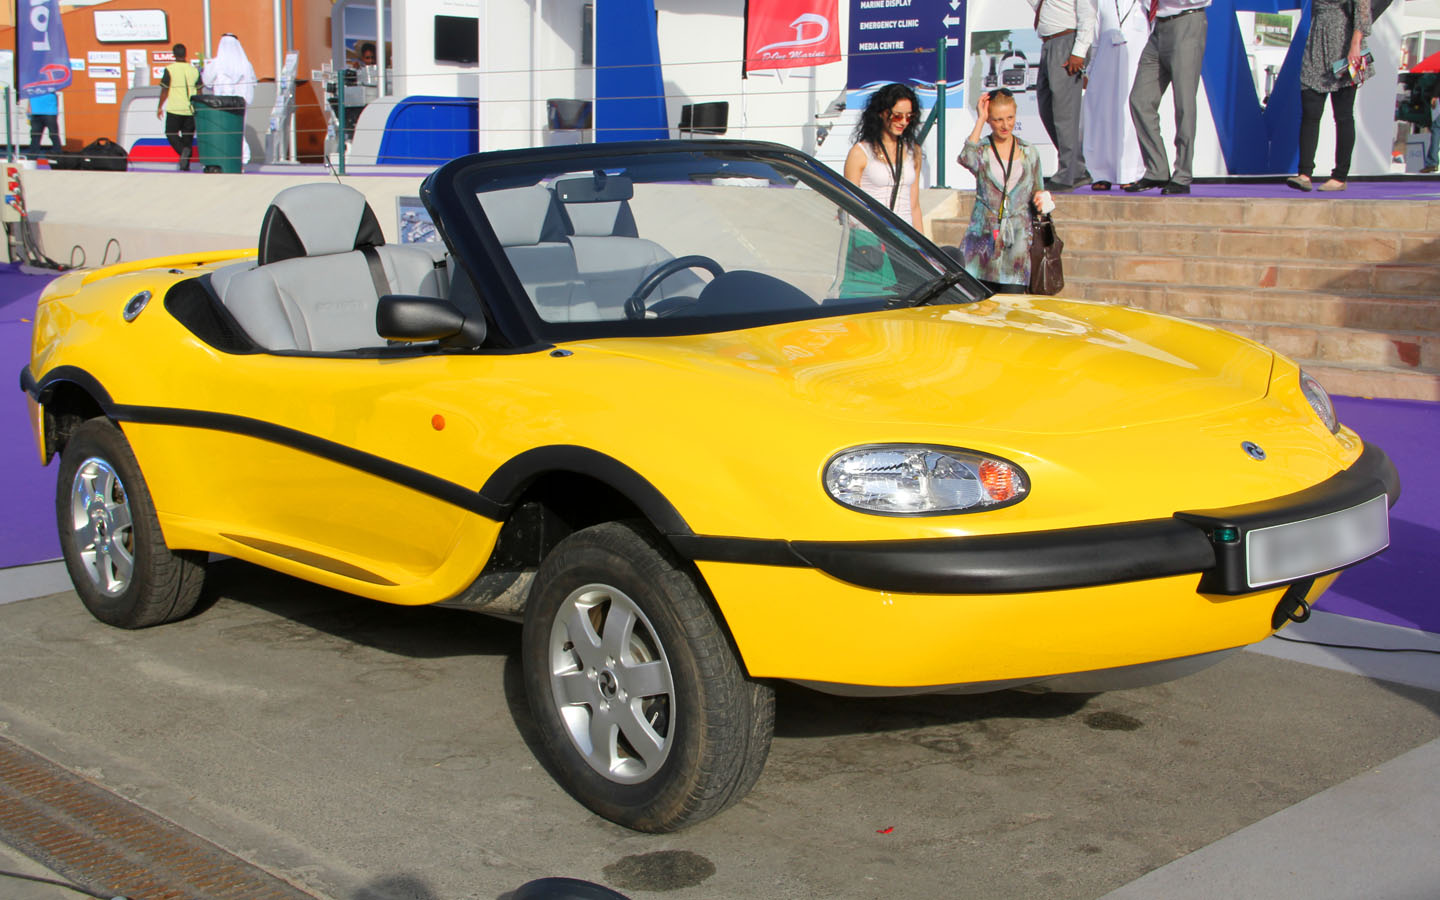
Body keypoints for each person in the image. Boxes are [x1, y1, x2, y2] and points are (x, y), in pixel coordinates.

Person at [956, 89, 1054, 293]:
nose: (1005, 125)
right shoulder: (982, 150)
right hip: (982, 241)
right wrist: (980, 120)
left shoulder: (1029, 151)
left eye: (1010, 118)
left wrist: (1040, 199)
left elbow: (1038, 189)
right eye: (998, 119)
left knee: (1012, 304)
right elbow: (966, 158)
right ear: (990, 120)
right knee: (978, 306)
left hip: (1017, 243)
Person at [1125, 0, 1210, 195]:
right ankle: (1157, 169)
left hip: (1187, 21)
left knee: (1183, 102)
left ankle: (1182, 174)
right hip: (1158, 27)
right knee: (1140, 100)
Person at [1286, 0, 1371, 192]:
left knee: (1343, 115)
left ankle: (1340, 176)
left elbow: (1363, 8)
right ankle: (1304, 173)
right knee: (1310, 111)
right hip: (1316, 42)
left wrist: (1355, 45)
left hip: (1345, 42)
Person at [1027, 0, 1096, 192]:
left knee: (1064, 114)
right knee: (1047, 109)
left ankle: (1067, 173)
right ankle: (1078, 170)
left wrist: (1079, 52)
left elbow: (1088, 14)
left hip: (1067, 42)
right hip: (1048, 43)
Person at [1082, 0, 1148, 190]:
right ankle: (1100, 173)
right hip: (1105, 65)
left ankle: (1130, 173)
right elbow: (1095, 40)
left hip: (1135, 66)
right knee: (1102, 116)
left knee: (1130, 117)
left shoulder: (1145, 4)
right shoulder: (1102, 2)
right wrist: (1090, 70)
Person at [844, 83, 925, 232]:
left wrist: (924, 248)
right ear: (881, 113)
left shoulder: (914, 151)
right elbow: (850, 204)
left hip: (905, 236)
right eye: (897, 116)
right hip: (871, 235)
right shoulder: (860, 152)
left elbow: (914, 206)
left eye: (909, 117)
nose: (903, 122)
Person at [202, 33, 257, 165]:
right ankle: (243, 159)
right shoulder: (246, 65)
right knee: (239, 131)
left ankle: (224, 159)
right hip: (240, 104)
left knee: (222, 131)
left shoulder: (216, 63)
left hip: (220, 104)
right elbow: (253, 83)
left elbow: (207, 82)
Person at [157, 43, 201, 171]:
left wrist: (160, 106)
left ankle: (183, 151)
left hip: (175, 108)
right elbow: (199, 91)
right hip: (190, 109)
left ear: (174, 55)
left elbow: (165, 90)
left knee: (171, 133)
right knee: (187, 138)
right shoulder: (194, 70)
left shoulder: (170, 69)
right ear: (185, 54)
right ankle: (185, 165)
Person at [25, 90, 62, 157]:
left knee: (53, 134)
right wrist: (29, 107)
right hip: (36, 111)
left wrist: (56, 108)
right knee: (35, 136)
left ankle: (58, 154)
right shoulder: (33, 82)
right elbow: (30, 93)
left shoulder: (50, 81)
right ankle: (32, 156)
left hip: (50, 111)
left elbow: (57, 91)